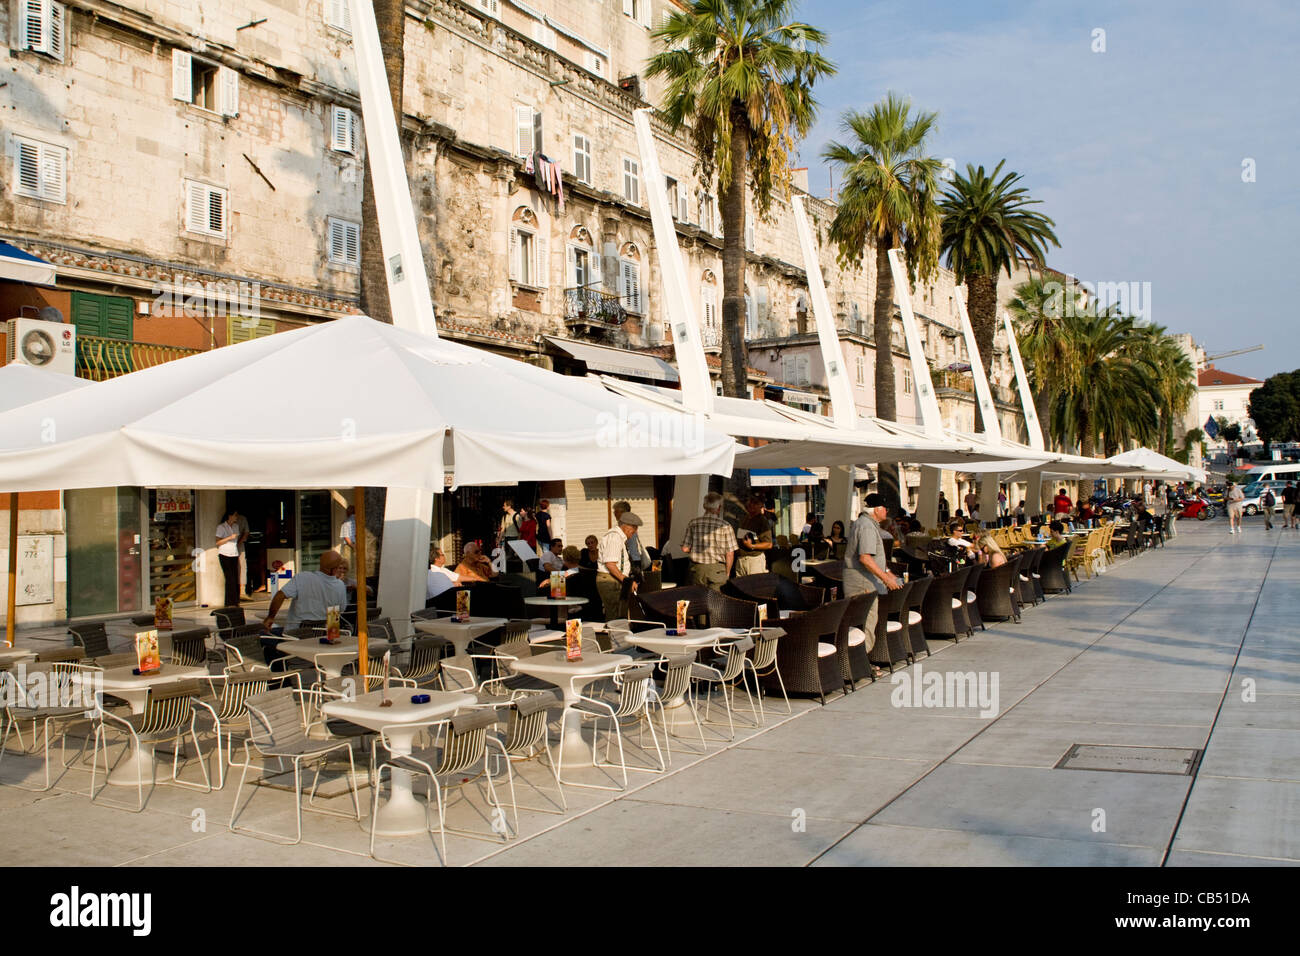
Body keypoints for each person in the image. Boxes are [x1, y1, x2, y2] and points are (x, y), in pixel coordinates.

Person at [843, 493, 902, 673]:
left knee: (864, 622)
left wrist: (887, 573)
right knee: (866, 622)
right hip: (863, 583)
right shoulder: (867, 526)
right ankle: (859, 663)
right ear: (877, 509)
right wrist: (885, 579)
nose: (887, 511)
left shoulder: (866, 523)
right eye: (885, 508)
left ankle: (859, 661)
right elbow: (865, 558)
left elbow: (872, 558)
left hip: (865, 580)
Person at [260, 550, 349, 660]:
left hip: (293, 638)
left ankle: (280, 673)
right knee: (276, 631)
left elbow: (280, 595)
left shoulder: (303, 577)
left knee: (262, 636)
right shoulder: (340, 586)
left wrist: (270, 617)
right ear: (335, 568)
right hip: (319, 638)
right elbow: (337, 612)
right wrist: (331, 638)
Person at [679, 492, 737, 590]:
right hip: (717, 570)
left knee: (698, 602)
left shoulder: (693, 523)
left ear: (704, 506)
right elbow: (730, 553)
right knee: (716, 603)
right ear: (719, 507)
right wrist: (727, 572)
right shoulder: (725, 526)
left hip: (697, 570)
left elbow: (685, 549)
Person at [597, 512, 642, 619]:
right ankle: (615, 635)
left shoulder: (618, 537)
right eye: (634, 527)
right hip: (610, 580)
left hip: (614, 579)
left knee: (620, 614)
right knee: (615, 615)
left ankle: (619, 634)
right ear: (626, 526)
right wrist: (626, 581)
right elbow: (610, 564)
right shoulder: (615, 538)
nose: (635, 531)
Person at [736, 493, 773, 576]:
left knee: (755, 587)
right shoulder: (744, 519)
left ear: (761, 506)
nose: (751, 505)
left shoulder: (762, 521)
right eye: (750, 501)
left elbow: (769, 544)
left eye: (755, 503)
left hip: (754, 561)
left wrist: (752, 546)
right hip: (741, 560)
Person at [613, 500, 652, 573]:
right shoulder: (624, 525)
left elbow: (632, 547)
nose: (614, 513)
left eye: (616, 511)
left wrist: (634, 566)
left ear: (623, 512)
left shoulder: (628, 526)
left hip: (633, 561)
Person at [215, 509, 242, 608]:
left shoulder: (236, 526)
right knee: (229, 578)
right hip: (224, 554)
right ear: (229, 516)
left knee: (235, 578)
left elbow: (237, 539)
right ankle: (229, 602)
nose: (236, 517)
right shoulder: (221, 527)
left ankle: (235, 601)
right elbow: (218, 542)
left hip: (234, 554)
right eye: (235, 515)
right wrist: (229, 538)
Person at [235, 510, 251, 598]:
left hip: (238, 545)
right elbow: (246, 532)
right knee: (241, 566)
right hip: (236, 545)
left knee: (241, 566)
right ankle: (241, 591)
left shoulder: (242, 519)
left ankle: (242, 590)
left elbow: (246, 532)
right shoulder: (242, 518)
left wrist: (239, 542)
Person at [339, 505, 357, 577]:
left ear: (348, 513)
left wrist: (353, 546)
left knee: (347, 565)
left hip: (349, 546)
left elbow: (346, 537)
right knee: (355, 565)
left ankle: (348, 580)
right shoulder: (358, 521)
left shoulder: (346, 522)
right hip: (356, 544)